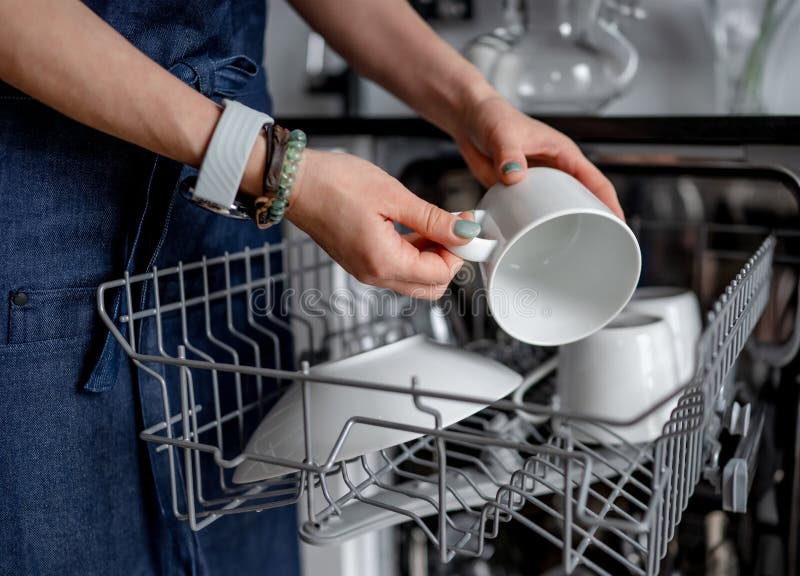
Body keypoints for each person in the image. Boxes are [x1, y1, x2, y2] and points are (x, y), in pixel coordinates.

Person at [0, 1, 623, 574]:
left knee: (239, 523)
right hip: (50, 209)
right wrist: (274, 168)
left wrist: (473, 106)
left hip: (226, 213)